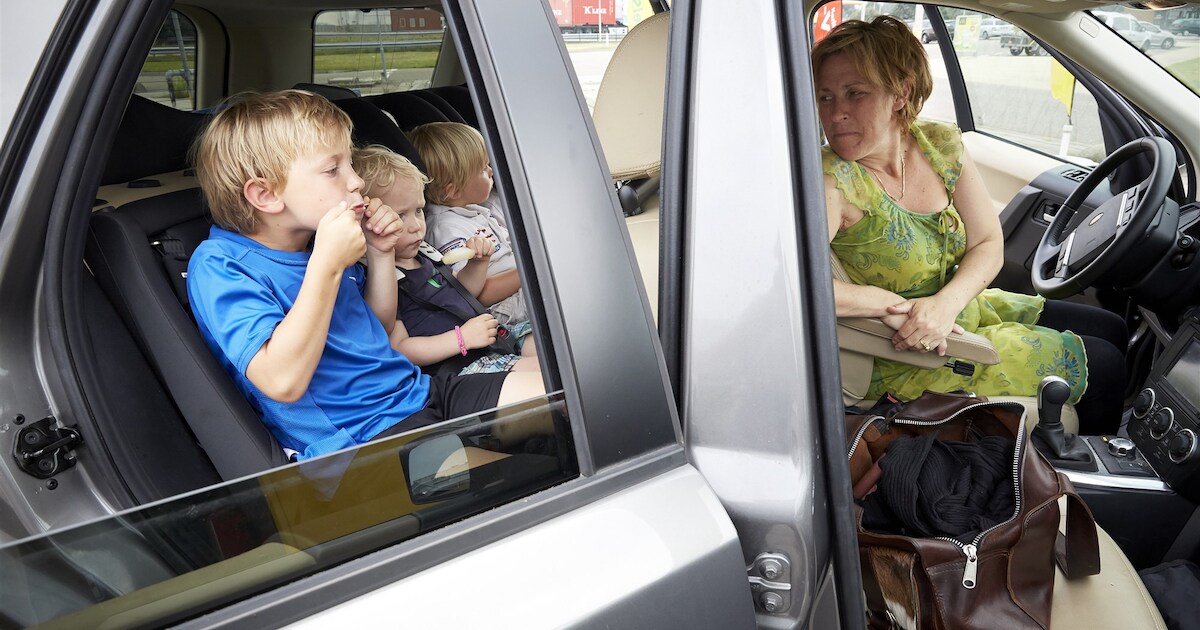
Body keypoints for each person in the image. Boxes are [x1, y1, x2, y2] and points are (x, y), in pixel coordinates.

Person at [187, 90, 545, 460]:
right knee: (538, 476)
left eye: (351, 166)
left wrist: (379, 252)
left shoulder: (317, 243)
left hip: (420, 393)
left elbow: (377, 327)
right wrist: (327, 265)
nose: (356, 181)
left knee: (573, 394)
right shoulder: (223, 265)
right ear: (265, 194)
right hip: (367, 440)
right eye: (333, 169)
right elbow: (282, 381)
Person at [813, 16, 1127, 433]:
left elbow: (987, 241)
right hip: (904, 351)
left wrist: (946, 304)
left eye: (855, 93)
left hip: (959, 310)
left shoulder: (938, 145)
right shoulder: (832, 181)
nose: (837, 114)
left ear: (901, 93)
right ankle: (1091, 481)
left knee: (1112, 326)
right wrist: (884, 303)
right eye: (826, 97)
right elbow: (796, 286)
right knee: (1105, 364)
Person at [352, 144, 537, 376]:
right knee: (546, 374)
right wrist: (461, 339)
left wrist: (478, 264)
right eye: (399, 215)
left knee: (555, 345)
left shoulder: (424, 254)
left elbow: (461, 291)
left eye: (418, 210)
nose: (417, 226)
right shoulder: (382, 280)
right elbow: (399, 348)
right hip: (459, 366)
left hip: (491, 342)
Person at [406, 121, 526, 326]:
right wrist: (529, 274)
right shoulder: (446, 228)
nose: (490, 171)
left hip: (514, 289)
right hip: (499, 307)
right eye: (482, 169)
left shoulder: (471, 211)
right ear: (453, 191)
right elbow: (477, 294)